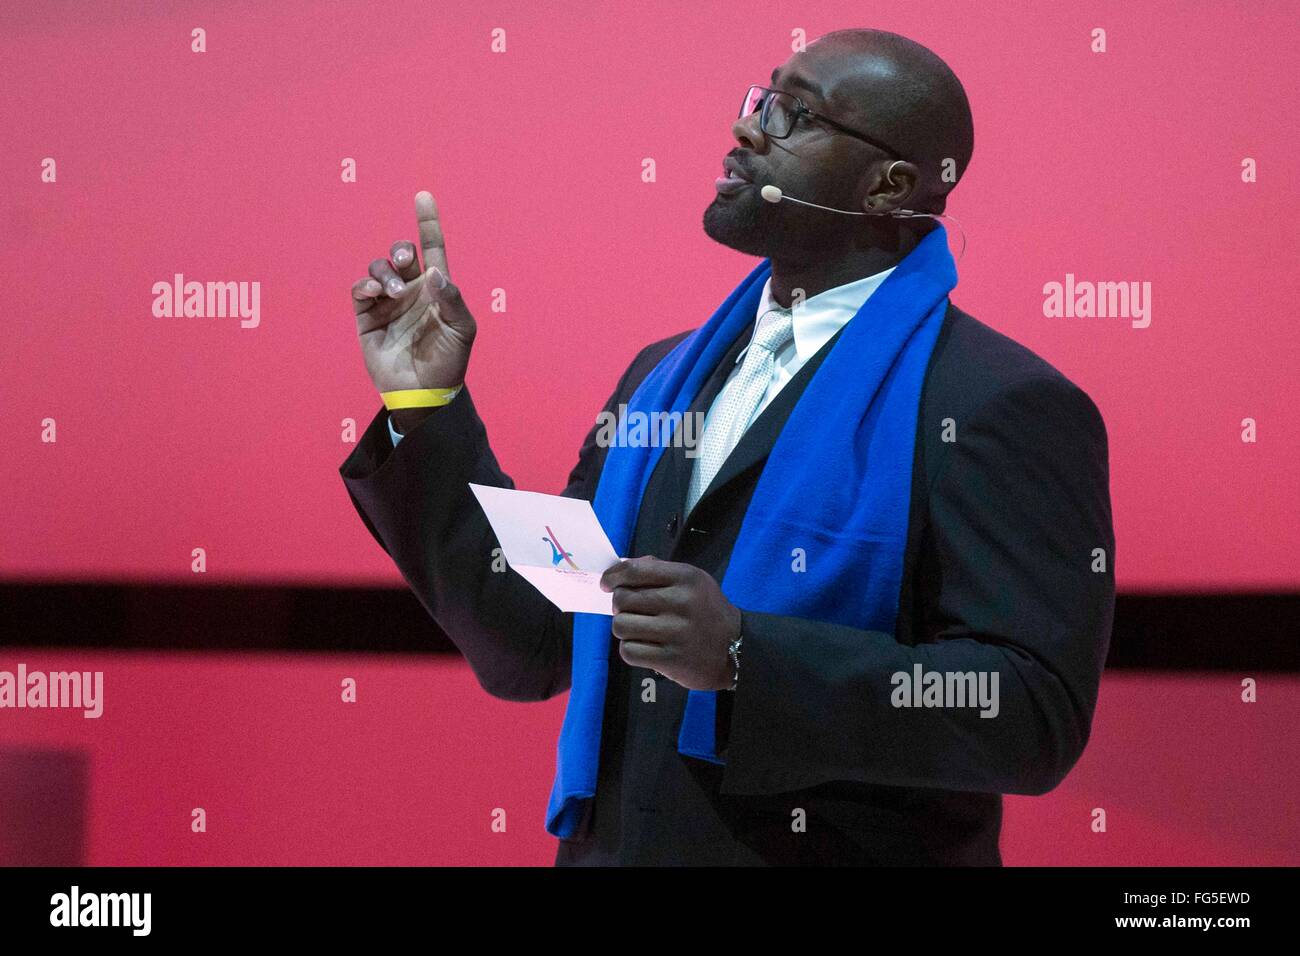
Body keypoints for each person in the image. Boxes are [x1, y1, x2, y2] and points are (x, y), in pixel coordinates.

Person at [340, 28, 1114, 865]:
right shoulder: (663, 376)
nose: (748, 130)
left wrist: (751, 656)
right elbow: (538, 635)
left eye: (796, 115)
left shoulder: (999, 402)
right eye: (761, 100)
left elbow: (1031, 714)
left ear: (889, 187)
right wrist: (424, 404)